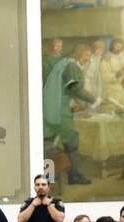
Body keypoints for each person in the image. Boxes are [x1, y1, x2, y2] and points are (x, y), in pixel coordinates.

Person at [42, 42, 93, 185]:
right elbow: (75, 88)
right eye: (86, 55)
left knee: (49, 141)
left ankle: (49, 179)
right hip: (58, 110)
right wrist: (95, 99)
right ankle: (73, 176)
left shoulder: (63, 63)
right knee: (72, 140)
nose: (88, 59)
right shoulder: (71, 65)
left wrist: (80, 104)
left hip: (49, 108)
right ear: (78, 53)